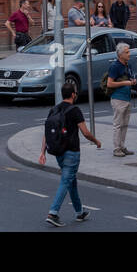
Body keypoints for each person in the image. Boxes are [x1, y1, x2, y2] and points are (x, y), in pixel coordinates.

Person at [38, 80, 100, 226]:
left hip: (58, 152)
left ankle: (79, 212)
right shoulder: (75, 110)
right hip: (72, 153)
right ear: (73, 95)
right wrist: (97, 141)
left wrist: (43, 152)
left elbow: (47, 133)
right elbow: (85, 132)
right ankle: (53, 213)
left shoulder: (54, 110)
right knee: (66, 181)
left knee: (71, 182)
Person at [106, 43, 136, 156]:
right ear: (120, 54)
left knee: (125, 124)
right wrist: (125, 82)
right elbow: (109, 83)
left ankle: (122, 146)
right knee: (118, 124)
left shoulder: (128, 65)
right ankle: (116, 149)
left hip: (127, 98)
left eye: (129, 51)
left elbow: (130, 77)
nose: (129, 54)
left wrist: (132, 82)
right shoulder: (115, 66)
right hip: (118, 98)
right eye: (127, 52)